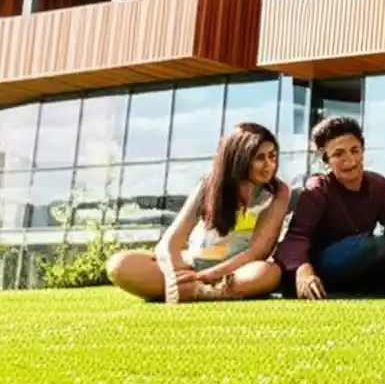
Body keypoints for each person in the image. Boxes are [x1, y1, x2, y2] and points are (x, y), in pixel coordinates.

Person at [106, 122, 289, 302]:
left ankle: (201, 291)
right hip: (192, 264)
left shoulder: (278, 193)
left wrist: (207, 276)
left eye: (272, 156)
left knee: (268, 272)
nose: (269, 165)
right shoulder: (208, 186)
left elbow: (257, 252)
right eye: (260, 158)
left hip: (234, 272)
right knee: (120, 264)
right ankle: (190, 290)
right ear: (239, 158)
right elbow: (169, 243)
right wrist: (173, 276)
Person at [275, 117, 385, 300]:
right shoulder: (317, 189)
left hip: (360, 262)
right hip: (324, 264)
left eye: (354, 151)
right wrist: (303, 270)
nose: (349, 160)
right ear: (325, 158)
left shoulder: (379, 185)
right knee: (370, 245)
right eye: (338, 154)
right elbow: (297, 237)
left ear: (363, 150)